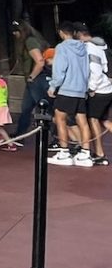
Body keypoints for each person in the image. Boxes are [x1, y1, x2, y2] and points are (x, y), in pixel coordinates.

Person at [47, 22, 92, 166]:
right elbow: (87, 69)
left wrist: (53, 86)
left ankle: (64, 152)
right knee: (82, 122)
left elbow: (60, 69)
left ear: (61, 32)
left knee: (60, 119)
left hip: (67, 89)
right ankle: (85, 153)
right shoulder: (83, 47)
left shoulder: (62, 47)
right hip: (80, 89)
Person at [10, 19, 50, 139]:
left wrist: (32, 76)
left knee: (44, 108)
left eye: (16, 31)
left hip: (36, 79)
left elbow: (40, 62)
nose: (14, 34)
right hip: (32, 80)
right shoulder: (31, 41)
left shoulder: (30, 41)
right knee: (26, 108)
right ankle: (20, 134)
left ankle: (55, 136)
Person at [76, 24, 110, 166]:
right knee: (104, 121)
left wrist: (91, 88)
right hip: (106, 87)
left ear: (79, 34)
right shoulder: (99, 46)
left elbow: (95, 70)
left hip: (99, 90)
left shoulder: (90, 48)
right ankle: (99, 153)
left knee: (93, 119)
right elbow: (105, 67)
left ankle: (100, 153)